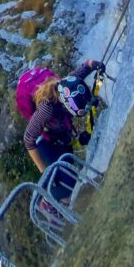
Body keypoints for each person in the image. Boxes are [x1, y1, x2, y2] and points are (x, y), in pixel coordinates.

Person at [23, 58, 104, 203]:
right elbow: (28, 139)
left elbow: (86, 66)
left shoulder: (68, 84)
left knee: (70, 169)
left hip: (61, 135)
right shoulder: (46, 109)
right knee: (67, 187)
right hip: (46, 142)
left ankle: (61, 198)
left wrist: (94, 64)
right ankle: (49, 203)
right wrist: (44, 171)